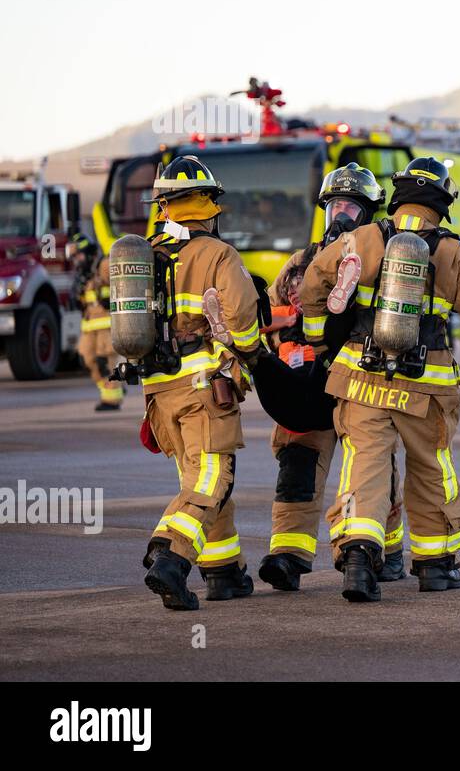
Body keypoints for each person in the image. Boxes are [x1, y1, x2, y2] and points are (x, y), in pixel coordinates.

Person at [297, 156, 460, 601]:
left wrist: (320, 345)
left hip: (359, 376)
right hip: (426, 385)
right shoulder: (451, 253)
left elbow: (312, 285)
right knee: (431, 467)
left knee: (363, 465)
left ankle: (357, 558)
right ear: (443, 203)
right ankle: (436, 565)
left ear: (399, 195)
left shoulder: (362, 238)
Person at [257, 163, 408, 592]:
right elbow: (269, 316)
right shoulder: (301, 262)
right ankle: (288, 555)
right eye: (334, 207)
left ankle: (383, 553)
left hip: (360, 381)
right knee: (297, 465)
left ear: (368, 213)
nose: (341, 216)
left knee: (371, 467)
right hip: (307, 382)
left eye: (350, 208)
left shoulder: (382, 261)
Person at [138, 156, 263, 611]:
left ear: (164, 207)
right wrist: (249, 352)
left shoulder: (146, 253)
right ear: (210, 206)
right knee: (213, 477)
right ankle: (169, 554)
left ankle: (224, 572)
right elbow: (244, 320)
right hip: (204, 385)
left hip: (158, 390)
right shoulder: (218, 254)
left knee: (200, 480)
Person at [72, 232, 123, 411]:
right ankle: (110, 390)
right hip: (89, 326)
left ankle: (112, 399)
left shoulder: (103, 266)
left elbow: (121, 282)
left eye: (79, 255)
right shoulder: (82, 274)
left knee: (106, 363)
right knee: (88, 359)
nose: (77, 260)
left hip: (107, 326)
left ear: (90, 253)